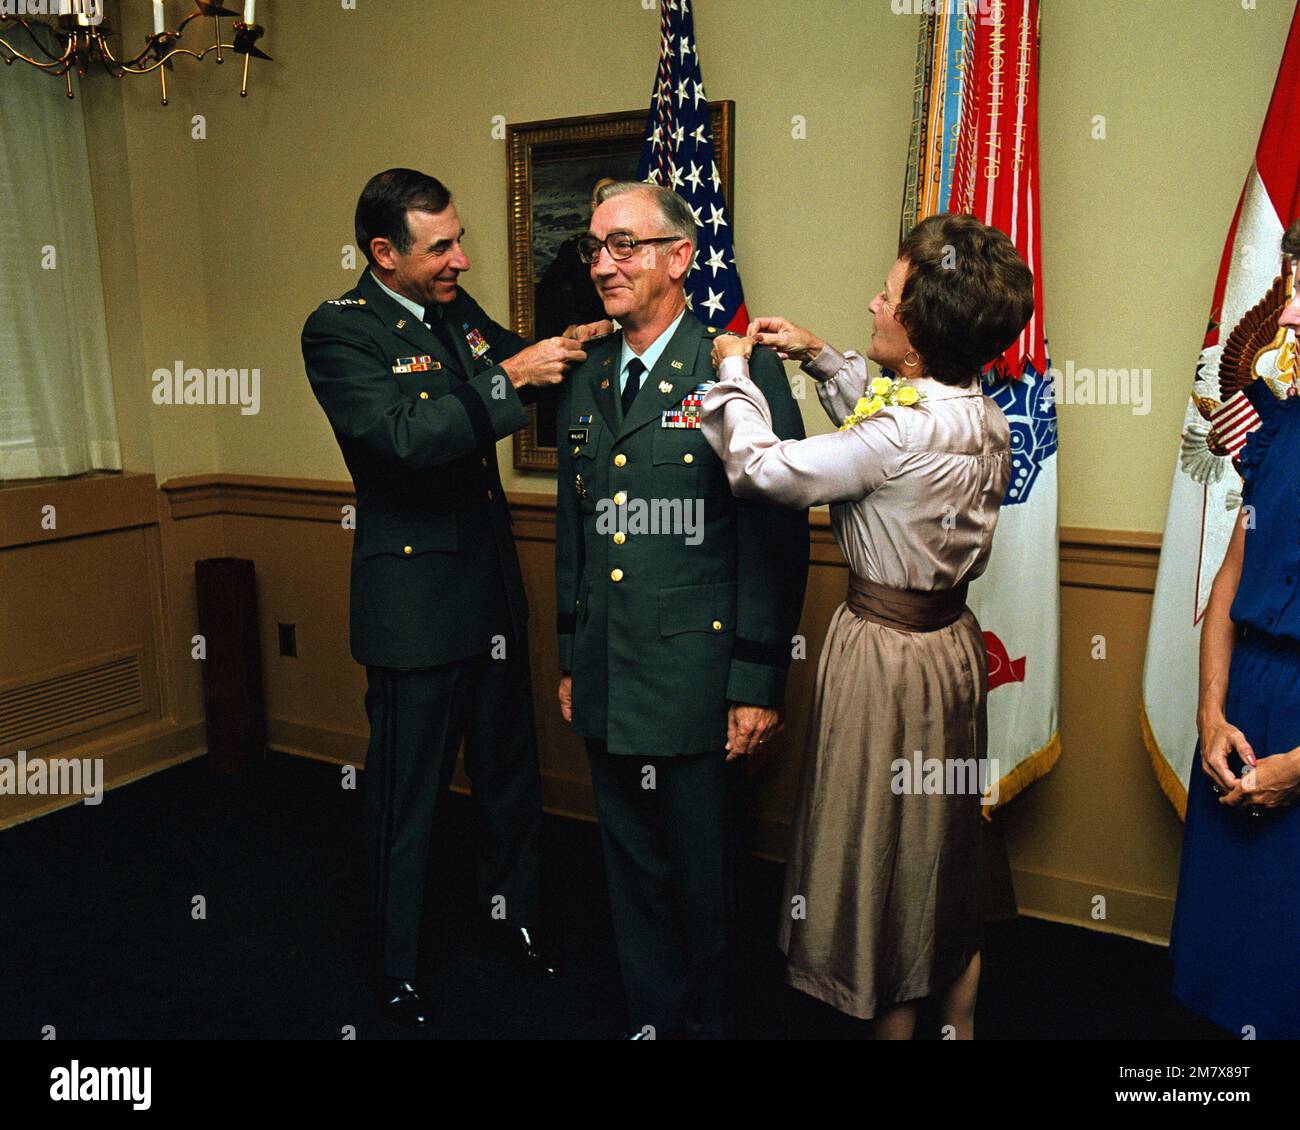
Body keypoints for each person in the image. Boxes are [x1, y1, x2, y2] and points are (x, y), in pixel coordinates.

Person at [700, 212, 1034, 1039]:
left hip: (882, 661)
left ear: (916, 334)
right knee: (939, 849)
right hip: (949, 653)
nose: (872, 302)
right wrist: (819, 357)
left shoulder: (900, 432)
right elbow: (894, 444)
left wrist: (735, 374)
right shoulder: (978, 414)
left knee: (881, 850)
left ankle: (885, 1002)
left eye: (886, 297)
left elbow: (763, 470)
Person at [301, 168, 608, 1029]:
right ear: (383, 252)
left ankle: (513, 924)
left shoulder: (450, 313)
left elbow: (514, 359)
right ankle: (395, 965)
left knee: (511, 783)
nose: (461, 259)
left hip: (490, 598)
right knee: (408, 801)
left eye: (460, 239)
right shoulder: (340, 332)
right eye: (441, 247)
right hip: (413, 612)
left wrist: (572, 340)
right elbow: (402, 439)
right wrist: (515, 375)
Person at [554, 182, 809, 1039]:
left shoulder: (736, 367)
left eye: (623, 244)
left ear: (678, 256)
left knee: (707, 877)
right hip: (609, 666)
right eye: (595, 248)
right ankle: (652, 1019)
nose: (603, 264)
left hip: (699, 677)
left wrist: (757, 678)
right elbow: (578, 527)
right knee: (628, 869)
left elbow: (773, 537)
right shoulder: (589, 371)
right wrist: (568, 651)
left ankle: (713, 1024)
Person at [1169, 221, 1300, 1039]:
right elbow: (1226, 585)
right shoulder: (1274, 418)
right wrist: (1212, 714)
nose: (1286, 321)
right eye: (1290, 293)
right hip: (1246, 700)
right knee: (1217, 983)